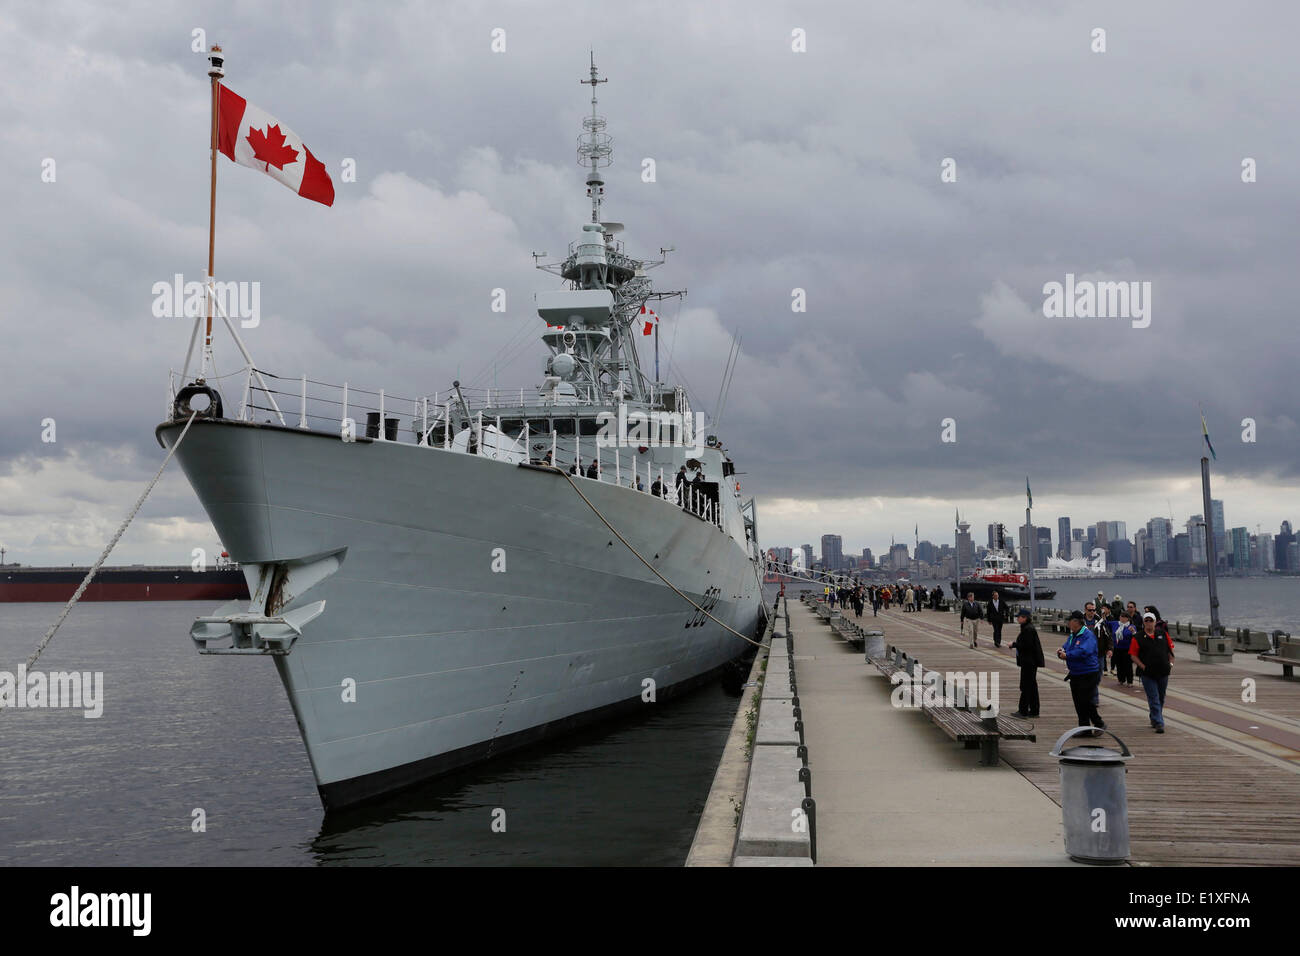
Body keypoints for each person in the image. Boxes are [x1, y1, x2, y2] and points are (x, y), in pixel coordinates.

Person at [1058, 610, 1105, 734]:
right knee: (1078, 702)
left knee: (1086, 700)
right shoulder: (1073, 634)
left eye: (1070, 621)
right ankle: (1084, 728)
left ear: (1075, 622)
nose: (1068, 623)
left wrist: (1067, 655)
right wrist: (1062, 650)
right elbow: (1067, 645)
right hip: (1075, 673)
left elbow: (1084, 651)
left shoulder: (1087, 635)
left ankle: (1099, 723)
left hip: (1088, 673)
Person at [1130, 611, 1174, 733]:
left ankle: (1154, 717)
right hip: (1147, 674)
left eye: (1151, 620)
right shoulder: (1137, 637)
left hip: (1163, 671)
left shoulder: (1163, 634)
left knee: (1161, 697)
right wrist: (1143, 667)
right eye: (1146, 621)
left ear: (1155, 622)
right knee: (1153, 697)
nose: (1148, 623)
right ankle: (1159, 723)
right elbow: (1133, 655)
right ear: (1143, 622)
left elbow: (1170, 651)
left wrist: (1170, 664)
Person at [1009, 607, 1044, 717]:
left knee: (1026, 686)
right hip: (1030, 661)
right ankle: (1034, 710)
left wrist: (1014, 644)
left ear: (1024, 618)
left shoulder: (1028, 629)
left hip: (1029, 662)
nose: (1017, 619)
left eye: (1019, 617)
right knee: (1032, 686)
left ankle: (1023, 711)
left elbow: (1027, 646)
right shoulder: (1027, 628)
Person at [1111, 612, 1136, 686]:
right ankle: (1121, 679)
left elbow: (1136, 636)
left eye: (1124, 617)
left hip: (1127, 649)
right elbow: (1106, 622)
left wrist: (1133, 632)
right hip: (1117, 648)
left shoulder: (1131, 626)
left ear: (1127, 618)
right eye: (1121, 617)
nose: (1122, 618)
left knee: (1127, 665)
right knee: (1119, 665)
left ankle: (1130, 681)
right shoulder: (1115, 624)